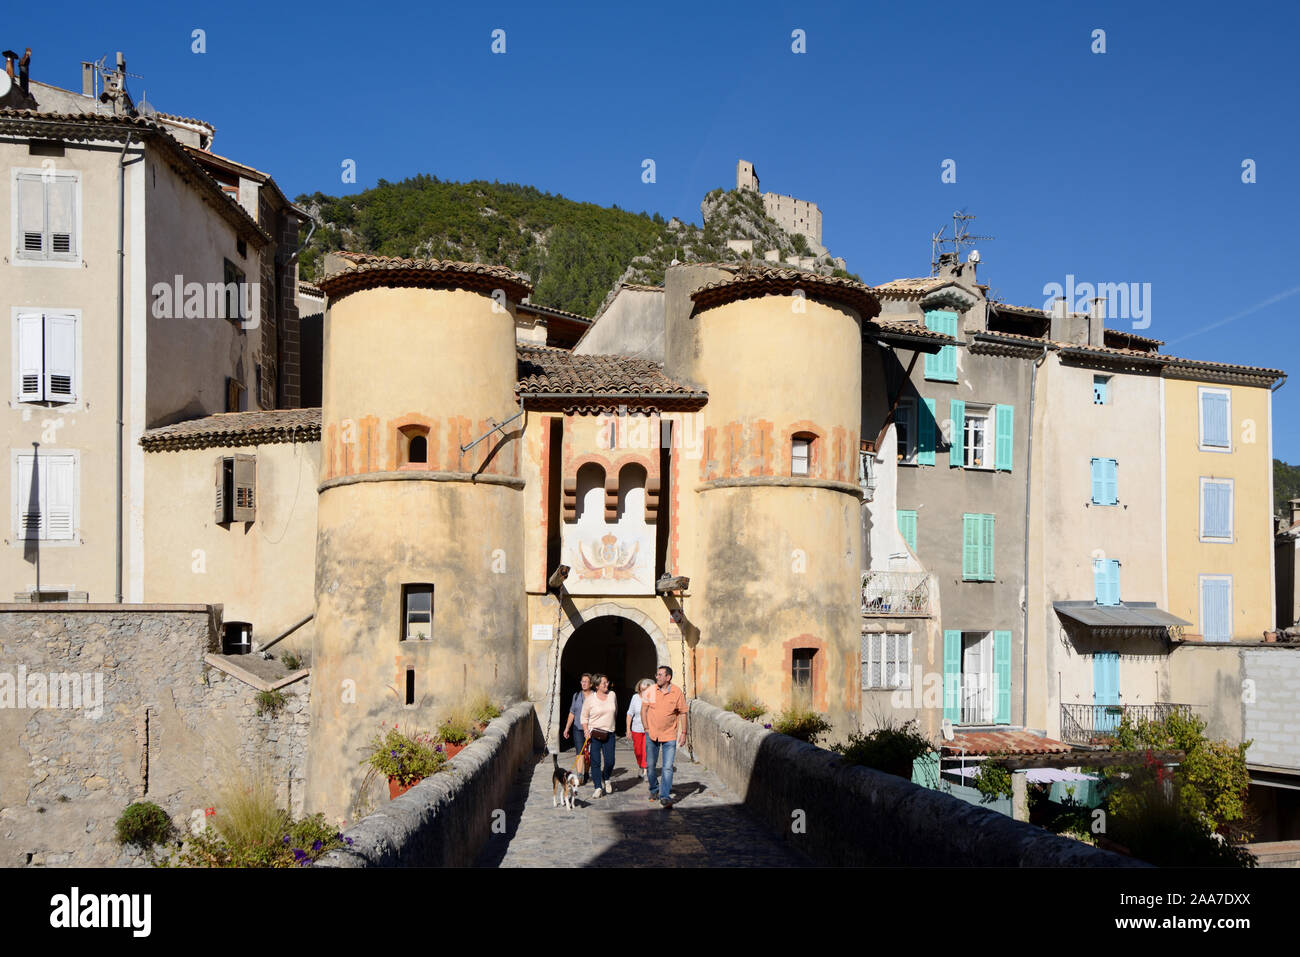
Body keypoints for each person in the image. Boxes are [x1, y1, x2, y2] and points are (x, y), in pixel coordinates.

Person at [641, 665, 687, 808]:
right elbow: (644, 710)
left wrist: (684, 733)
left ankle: (665, 796)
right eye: (657, 674)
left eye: (660, 675)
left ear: (668, 677)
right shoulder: (651, 690)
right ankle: (654, 789)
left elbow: (683, 713)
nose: (657, 677)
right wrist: (646, 728)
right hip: (652, 734)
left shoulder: (676, 692)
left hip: (669, 735)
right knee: (650, 766)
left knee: (667, 767)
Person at [580, 673, 617, 799]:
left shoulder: (612, 695)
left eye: (607, 682)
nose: (607, 684)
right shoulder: (590, 699)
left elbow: (615, 711)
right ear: (597, 686)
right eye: (604, 683)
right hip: (594, 734)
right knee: (595, 762)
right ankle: (597, 787)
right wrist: (586, 731)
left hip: (610, 733)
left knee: (610, 761)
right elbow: (584, 717)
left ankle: (606, 777)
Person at [562, 673, 592, 783]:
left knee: (589, 753)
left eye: (586, 681)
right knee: (580, 751)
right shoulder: (576, 695)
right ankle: (579, 775)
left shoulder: (594, 696)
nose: (583, 683)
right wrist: (566, 728)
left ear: (591, 684)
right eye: (582, 681)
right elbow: (572, 713)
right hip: (578, 728)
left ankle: (586, 773)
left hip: (591, 729)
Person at [626, 678, 652, 778]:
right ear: (639, 688)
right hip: (636, 728)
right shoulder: (635, 698)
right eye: (642, 689)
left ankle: (645, 770)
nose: (644, 691)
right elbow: (629, 714)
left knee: (646, 750)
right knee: (638, 751)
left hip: (648, 729)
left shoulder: (652, 698)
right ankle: (640, 765)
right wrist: (628, 729)